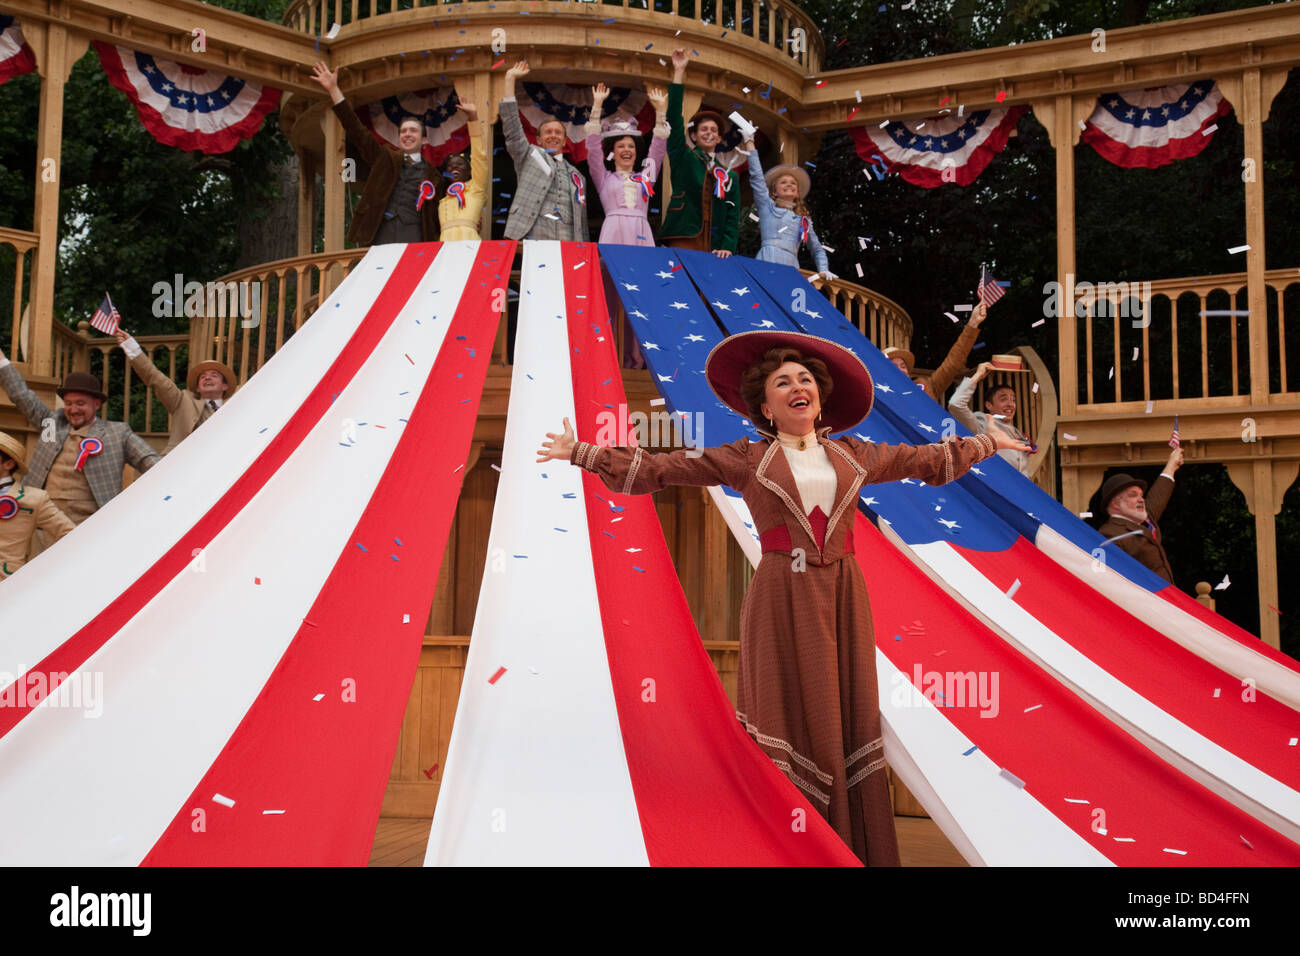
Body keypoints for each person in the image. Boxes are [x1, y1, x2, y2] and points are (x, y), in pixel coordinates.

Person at [537, 330, 1026, 865]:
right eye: (783, 382)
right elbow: (664, 468)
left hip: (843, 596)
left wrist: (987, 444)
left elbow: (924, 460)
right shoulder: (747, 457)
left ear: (819, 397)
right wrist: (582, 452)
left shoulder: (855, 455)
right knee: (786, 711)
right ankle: (791, 847)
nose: (798, 387)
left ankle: (848, 847)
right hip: (780, 597)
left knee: (846, 715)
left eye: (805, 379)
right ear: (766, 408)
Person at [0, 346, 158, 524]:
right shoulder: (51, 423)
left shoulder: (118, 433)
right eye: (68, 403)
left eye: (80, 403)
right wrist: (2, 362)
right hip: (43, 523)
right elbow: (21, 395)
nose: (73, 409)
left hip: (92, 525)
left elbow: (150, 461)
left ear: (96, 404)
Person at [310, 61, 438, 246]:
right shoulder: (385, 158)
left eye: (413, 131)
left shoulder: (435, 176)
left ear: (424, 140)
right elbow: (357, 130)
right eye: (403, 131)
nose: (407, 134)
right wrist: (333, 90)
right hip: (379, 235)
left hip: (415, 238)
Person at [660, 48, 741, 257]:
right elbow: (674, 121)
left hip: (715, 244)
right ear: (694, 136)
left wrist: (728, 246)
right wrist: (679, 72)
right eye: (703, 129)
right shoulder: (683, 156)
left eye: (714, 130)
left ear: (719, 138)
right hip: (684, 235)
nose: (709, 133)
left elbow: (732, 215)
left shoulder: (730, 176)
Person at [500, 60, 589, 242]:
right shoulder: (529, 155)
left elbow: (582, 218)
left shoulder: (577, 175)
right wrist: (509, 80)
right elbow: (513, 129)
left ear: (564, 140)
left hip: (567, 237)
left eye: (558, 132)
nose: (553, 136)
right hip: (533, 232)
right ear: (539, 139)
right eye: (548, 132)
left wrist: (584, 246)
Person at [115, 329, 235, 456]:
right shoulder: (182, 400)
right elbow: (155, 377)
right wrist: (131, 347)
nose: (207, 378)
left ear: (225, 386)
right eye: (203, 377)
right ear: (198, 388)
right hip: (181, 463)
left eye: (214, 375)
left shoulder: (234, 410)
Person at [584, 83, 668, 246]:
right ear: (613, 152)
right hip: (613, 233)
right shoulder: (603, 178)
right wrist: (597, 107)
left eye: (631, 146)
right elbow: (593, 150)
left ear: (636, 152)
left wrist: (660, 113)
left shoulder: (645, 179)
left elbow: (657, 154)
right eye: (621, 146)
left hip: (641, 233)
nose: (626, 150)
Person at [742, 138, 831, 277]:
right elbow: (757, 178)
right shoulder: (767, 207)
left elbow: (817, 248)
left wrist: (823, 269)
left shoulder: (803, 220)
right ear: (774, 192)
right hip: (768, 260)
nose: (789, 184)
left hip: (792, 267)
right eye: (783, 182)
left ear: (797, 193)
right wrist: (749, 142)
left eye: (793, 183)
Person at [1097, 448, 1183, 583]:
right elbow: (1111, 580)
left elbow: (1158, 497)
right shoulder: (1109, 535)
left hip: (1163, 594)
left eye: (1141, 495)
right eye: (1133, 495)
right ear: (1115, 503)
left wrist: (1171, 465)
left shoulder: (1143, 520)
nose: (1141, 500)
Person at [0, 430, 75, 580]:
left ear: (8, 464)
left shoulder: (34, 499)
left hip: (6, 582)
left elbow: (71, 534)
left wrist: (46, 572)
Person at [884, 301, 987, 402]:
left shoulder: (926, 386)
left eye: (903, 366)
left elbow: (953, 362)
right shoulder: (878, 397)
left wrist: (973, 323)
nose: (901, 370)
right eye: (894, 366)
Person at [948, 361, 1032, 474]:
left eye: (1013, 399)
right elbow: (955, 404)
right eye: (1003, 399)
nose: (1010, 404)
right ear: (989, 405)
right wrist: (978, 375)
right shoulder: (983, 424)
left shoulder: (1017, 432)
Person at [436, 99, 488, 241]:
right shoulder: (442, 200)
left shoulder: (476, 188)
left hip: (470, 246)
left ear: (469, 171)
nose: (454, 167)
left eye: (460, 164)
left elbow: (479, 157)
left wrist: (473, 118)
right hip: (445, 248)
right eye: (450, 166)